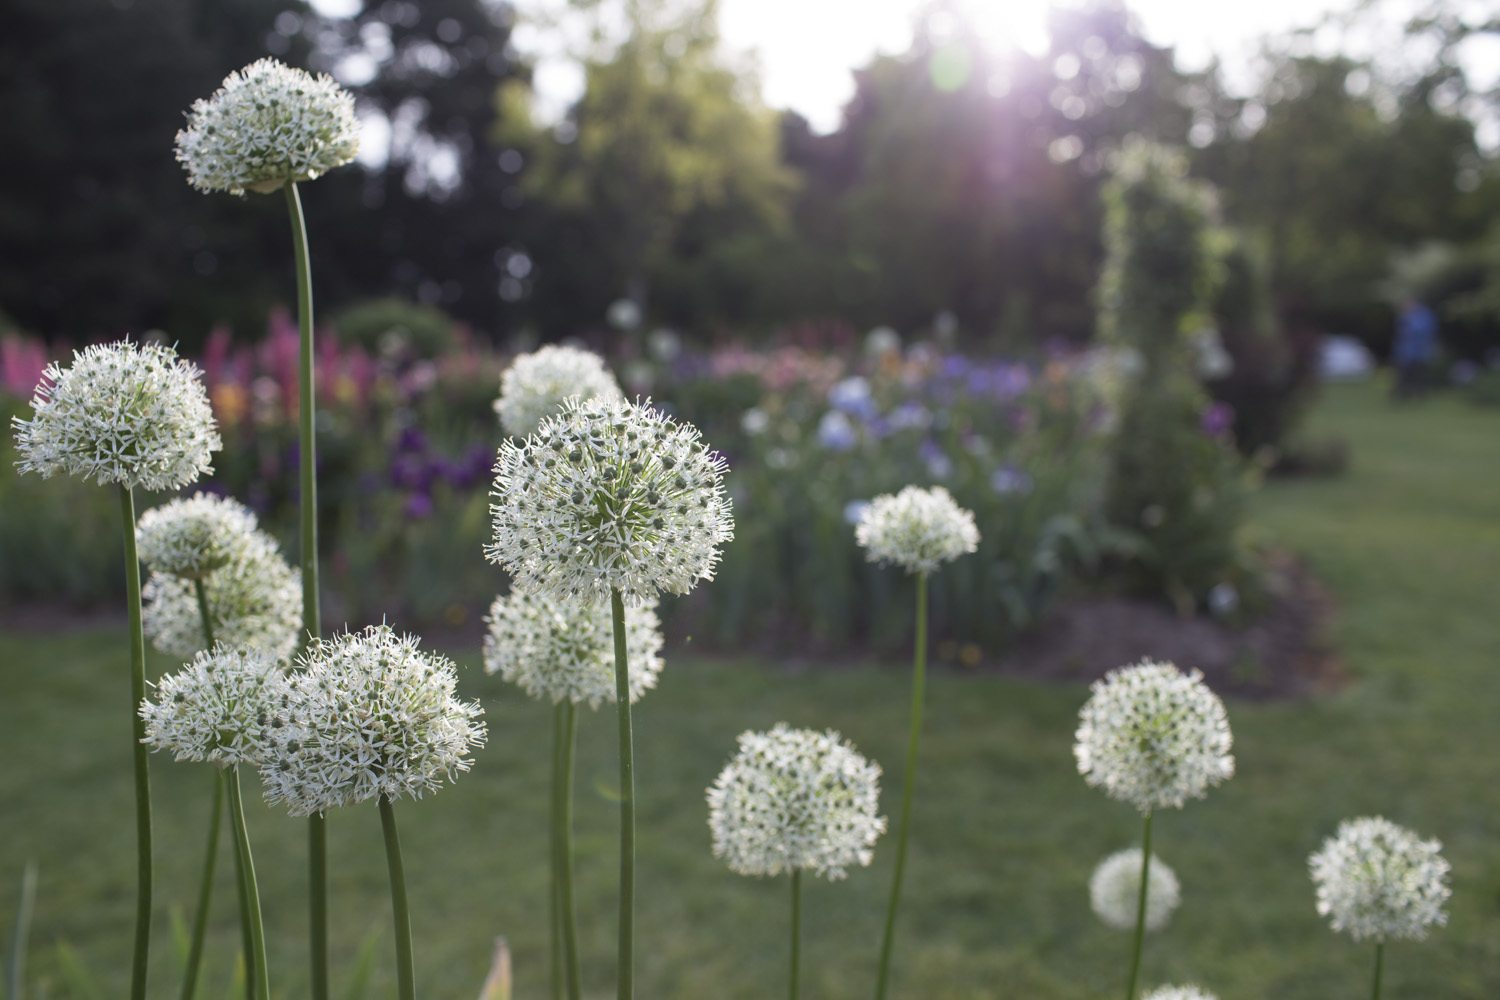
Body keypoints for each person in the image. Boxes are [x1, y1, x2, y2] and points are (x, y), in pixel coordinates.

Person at [1392, 298, 1439, 399]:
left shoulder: (1423, 316)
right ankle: (1403, 395)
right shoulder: (1405, 316)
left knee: (1418, 375)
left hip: (1420, 352)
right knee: (1403, 375)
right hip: (1406, 353)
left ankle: (1418, 395)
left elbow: (1422, 332)